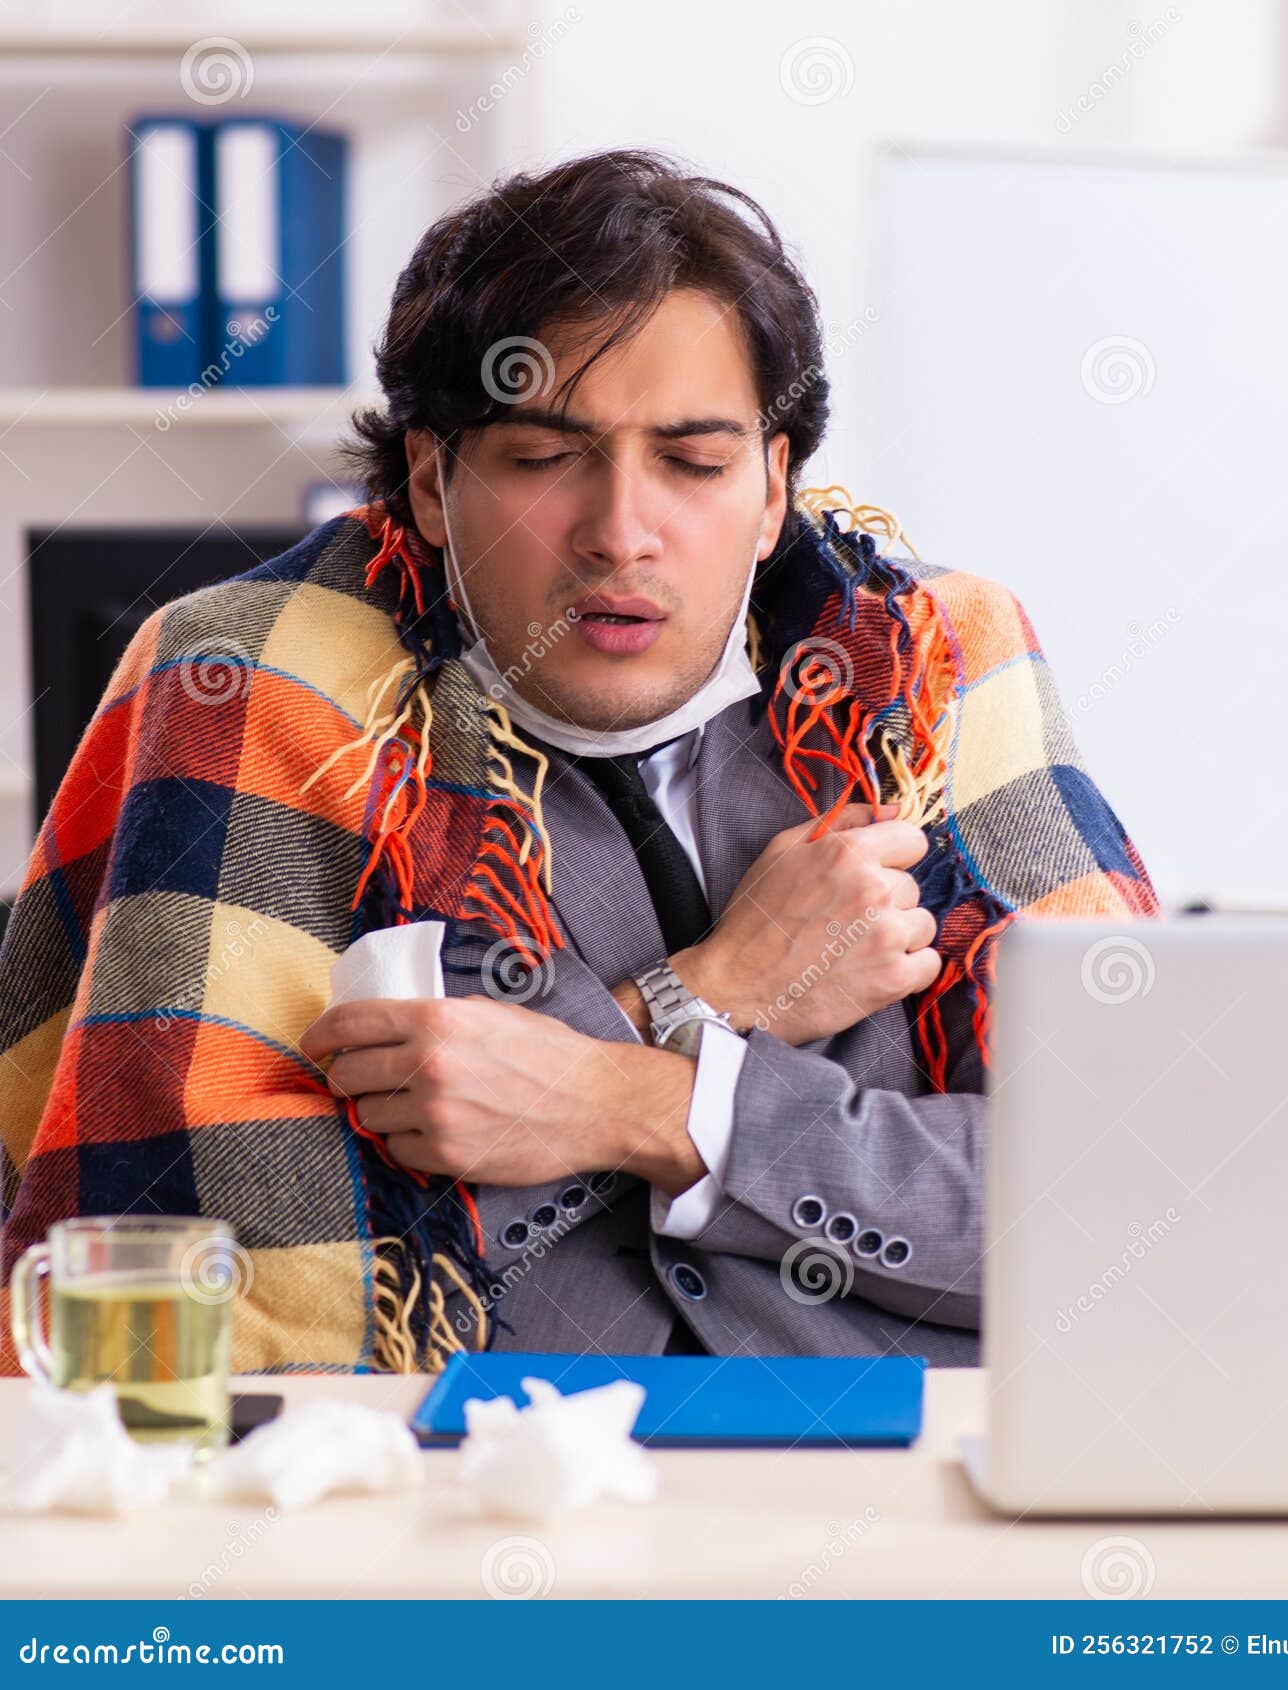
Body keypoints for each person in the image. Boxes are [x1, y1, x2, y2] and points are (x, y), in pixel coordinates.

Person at [0, 149, 1159, 1375]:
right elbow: (210, 1283)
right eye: (546, 457)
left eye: (695, 462)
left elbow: (1117, 1200)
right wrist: (706, 995)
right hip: (442, 1511)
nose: (620, 532)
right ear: (435, 481)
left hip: (908, 1490)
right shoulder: (256, 678)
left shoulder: (933, 661)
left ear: (775, 494)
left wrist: (643, 1100)